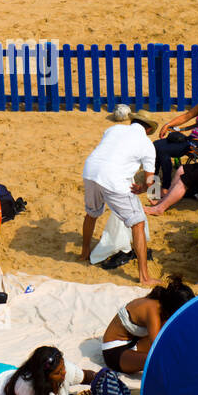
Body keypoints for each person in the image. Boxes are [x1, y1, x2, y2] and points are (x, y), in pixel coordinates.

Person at [79, 107, 158, 285]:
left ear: (132, 122)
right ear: (148, 130)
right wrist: (144, 189)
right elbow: (151, 179)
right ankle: (144, 277)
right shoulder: (147, 144)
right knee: (137, 222)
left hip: (90, 170)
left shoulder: (113, 129)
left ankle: (84, 254)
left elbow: (113, 151)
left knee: (92, 213)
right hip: (112, 178)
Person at [100, 275, 194, 373]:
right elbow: (158, 347)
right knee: (160, 360)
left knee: (175, 341)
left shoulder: (161, 304)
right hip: (114, 352)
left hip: (134, 341)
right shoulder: (153, 309)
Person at [152, 77, 198, 191]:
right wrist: (167, 125)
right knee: (156, 145)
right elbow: (187, 116)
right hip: (191, 139)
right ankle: (154, 179)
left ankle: (165, 186)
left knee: (164, 150)